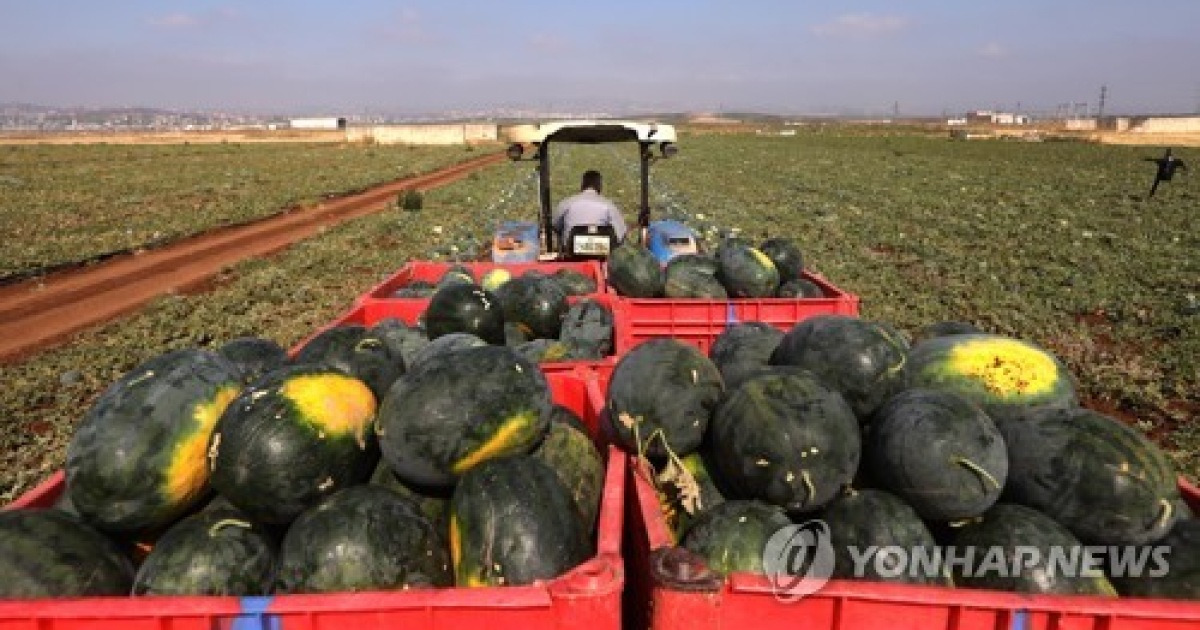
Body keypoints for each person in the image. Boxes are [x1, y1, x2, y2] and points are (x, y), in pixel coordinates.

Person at [553, 170, 627, 247]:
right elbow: (621, 234)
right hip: (601, 252)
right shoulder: (609, 205)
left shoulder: (567, 203)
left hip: (570, 253)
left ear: (582, 185)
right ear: (600, 186)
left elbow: (555, 226)